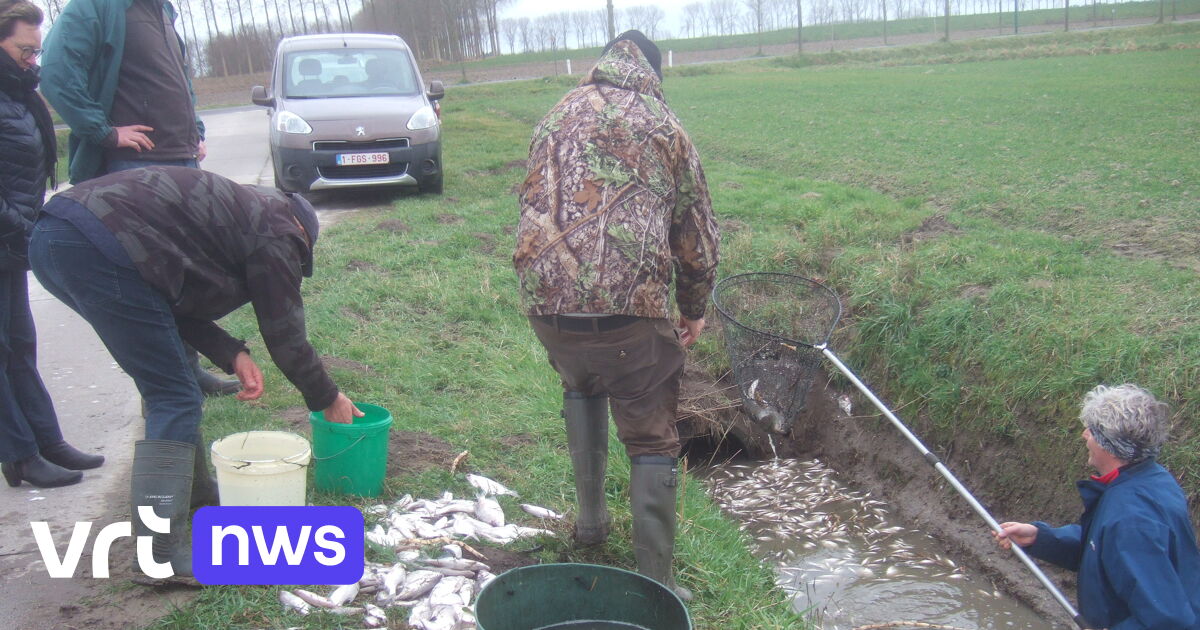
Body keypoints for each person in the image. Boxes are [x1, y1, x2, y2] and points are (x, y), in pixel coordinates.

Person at [29, 166, 364, 582]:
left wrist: (231, 353)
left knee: (169, 382)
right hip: (95, 245)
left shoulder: (243, 210)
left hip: (56, 237)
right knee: (174, 394)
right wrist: (328, 397)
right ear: (302, 231)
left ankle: (195, 497)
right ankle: (159, 556)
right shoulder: (279, 233)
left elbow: (159, 296)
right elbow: (286, 336)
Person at [513, 30, 719, 601]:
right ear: (653, 72)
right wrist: (694, 308)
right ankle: (658, 585)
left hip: (545, 304)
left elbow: (529, 202)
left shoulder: (554, 116)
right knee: (650, 435)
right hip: (628, 312)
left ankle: (591, 525)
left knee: (581, 381)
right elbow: (695, 233)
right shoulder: (664, 125)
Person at [39, 0, 237, 396]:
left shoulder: (163, 11)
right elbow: (57, 72)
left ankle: (189, 372)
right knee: (147, 280)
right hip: (132, 170)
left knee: (183, 273)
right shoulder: (97, 7)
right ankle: (168, 385)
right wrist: (104, 131)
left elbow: (180, 80)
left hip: (180, 162)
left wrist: (194, 130)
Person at [0, 0, 105, 489]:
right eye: (24, 49)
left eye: (34, 50)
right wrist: (22, 227)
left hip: (8, 240)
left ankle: (45, 440)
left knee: (20, 344)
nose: (32, 59)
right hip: (9, 231)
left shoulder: (16, 92)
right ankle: (18, 454)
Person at [994, 384, 1200, 630]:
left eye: (1091, 430)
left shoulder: (1131, 517)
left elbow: (1168, 621)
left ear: (1108, 444)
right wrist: (1042, 538)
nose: (1084, 435)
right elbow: (1105, 545)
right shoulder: (1151, 479)